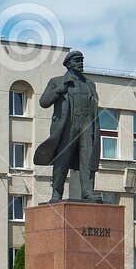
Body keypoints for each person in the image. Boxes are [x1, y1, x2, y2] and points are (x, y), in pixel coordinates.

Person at [34, 49, 101, 202]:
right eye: (77, 61)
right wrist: (59, 90)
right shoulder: (57, 82)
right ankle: (56, 193)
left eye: (81, 60)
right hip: (67, 127)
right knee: (62, 159)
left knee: (87, 159)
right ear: (69, 64)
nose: (80, 63)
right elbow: (44, 102)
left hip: (87, 126)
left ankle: (88, 191)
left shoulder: (90, 84)